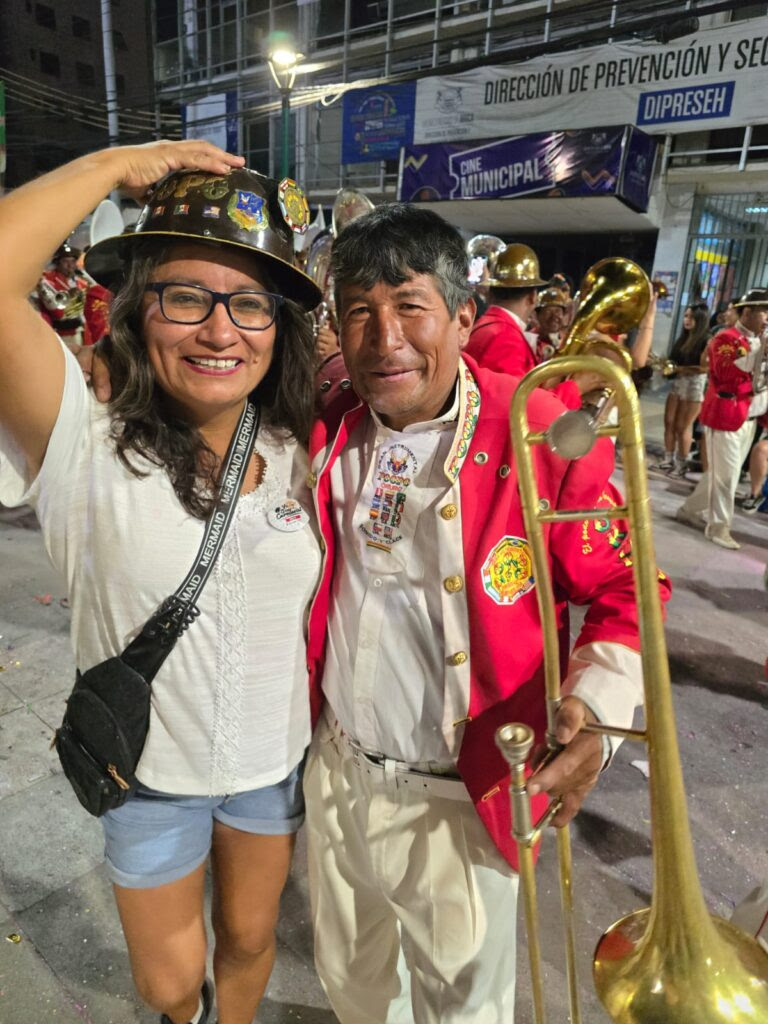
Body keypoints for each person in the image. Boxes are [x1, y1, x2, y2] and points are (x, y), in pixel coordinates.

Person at [301, 203, 670, 1023]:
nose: (383, 338)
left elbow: (628, 590)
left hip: (463, 798)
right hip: (337, 778)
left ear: (464, 315)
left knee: (464, 1009)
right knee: (355, 991)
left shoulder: (538, 427)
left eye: (409, 307)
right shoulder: (330, 422)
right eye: (357, 311)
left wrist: (600, 719)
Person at [0, 140, 323, 1024]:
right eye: (187, 297)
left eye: (250, 305)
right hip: (144, 776)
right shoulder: (83, 444)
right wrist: (111, 166)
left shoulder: (304, 453)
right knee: (170, 987)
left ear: (278, 325)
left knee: (254, 943)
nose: (221, 331)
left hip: (273, 767)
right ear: (140, 312)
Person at [675, 288, 768, 550]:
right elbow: (727, 373)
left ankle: (689, 510)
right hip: (726, 416)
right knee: (727, 478)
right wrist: (761, 350)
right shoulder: (726, 338)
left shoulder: (758, 339)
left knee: (721, 474)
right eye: (763, 311)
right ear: (746, 312)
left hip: (748, 417)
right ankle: (719, 527)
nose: (766, 317)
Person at [464, 241, 547, 377]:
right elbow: (515, 397)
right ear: (533, 297)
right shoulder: (506, 337)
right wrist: (576, 386)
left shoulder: (486, 325)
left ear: (490, 293)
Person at [654, 304, 710, 478]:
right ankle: (668, 458)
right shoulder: (683, 338)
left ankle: (681, 464)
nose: (687, 320)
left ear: (700, 321)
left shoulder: (706, 340)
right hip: (678, 384)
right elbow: (673, 361)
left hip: (694, 386)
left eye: (691, 317)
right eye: (686, 316)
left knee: (683, 426)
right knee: (669, 422)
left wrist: (679, 369)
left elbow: (704, 368)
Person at [33, 242, 92, 350]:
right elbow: (56, 312)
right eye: (65, 261)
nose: (70, 265)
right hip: (59, 334)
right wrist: (70, 297)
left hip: (80, 331)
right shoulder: (48, 280)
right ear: (57, 263)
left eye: (73, 261)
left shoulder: (82, 282)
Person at [533, 285, 568, 361]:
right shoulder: (529, 341)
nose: (554, 317)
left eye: (557, 311)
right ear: (538, 315)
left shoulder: (568, 340)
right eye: (548, 311)